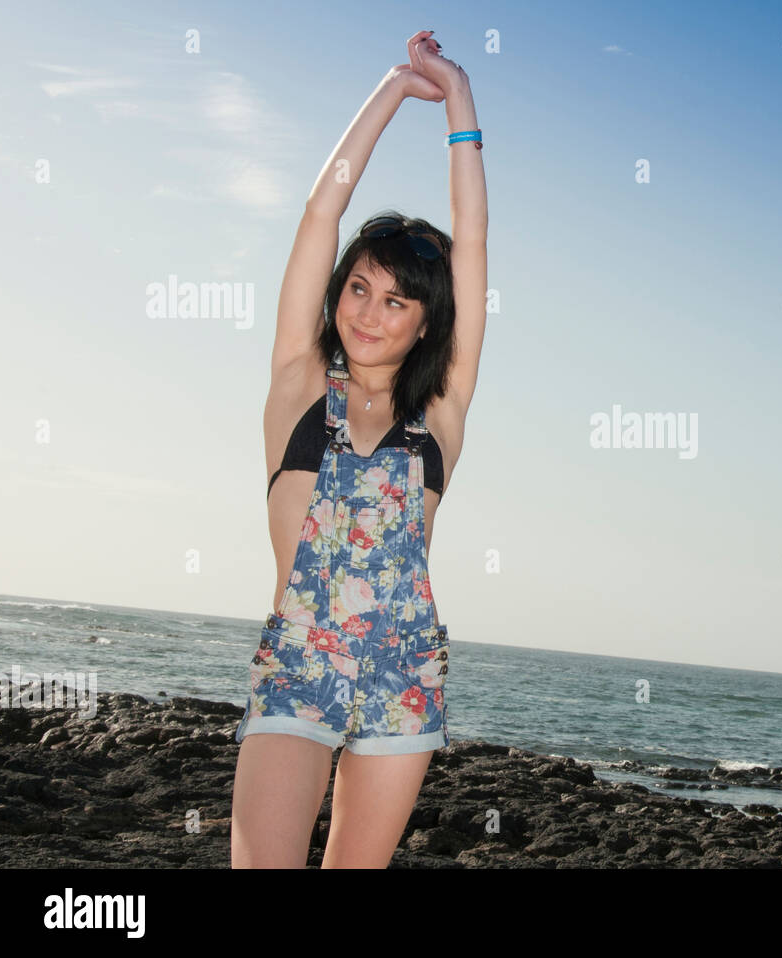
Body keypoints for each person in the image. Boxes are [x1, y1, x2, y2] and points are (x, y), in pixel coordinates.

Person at [230, 29, 487, 868]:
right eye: (359, 288)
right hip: (300, 660)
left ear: (426, 323)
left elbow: (472, 250)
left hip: (405, 675)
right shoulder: (301, 385)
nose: (370, 313)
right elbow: (321, 213)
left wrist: (459, 106)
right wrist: (390, 87)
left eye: (398, 302)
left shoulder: (436, 421)